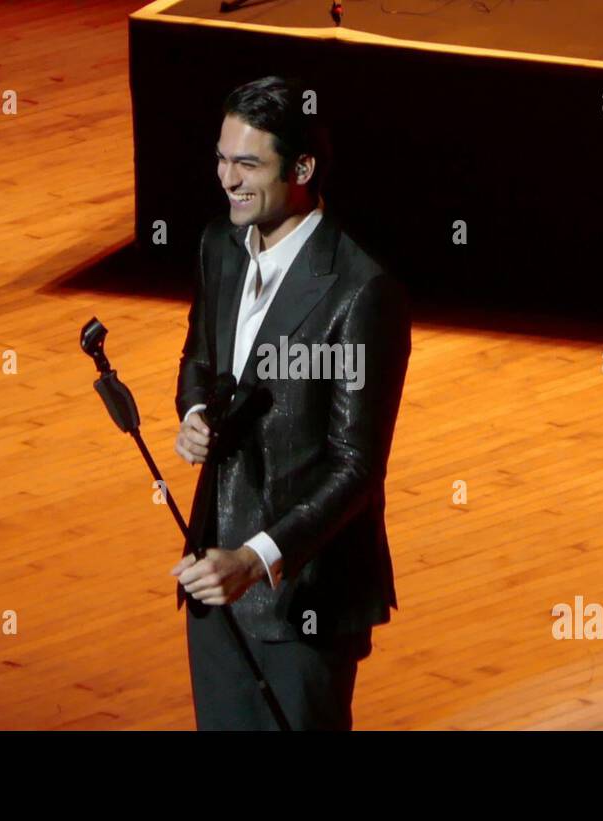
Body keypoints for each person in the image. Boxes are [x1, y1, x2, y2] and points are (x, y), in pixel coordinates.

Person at [170, 76, 411, 730]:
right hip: (211, 580)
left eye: (248, 164)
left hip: (302, 598)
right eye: (222, 158)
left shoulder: (361, 294)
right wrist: (193, 414)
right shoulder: (219, 244)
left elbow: (355, 468)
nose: (227, 178)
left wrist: (256, 558)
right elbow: (199, 354)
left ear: (302, 167)